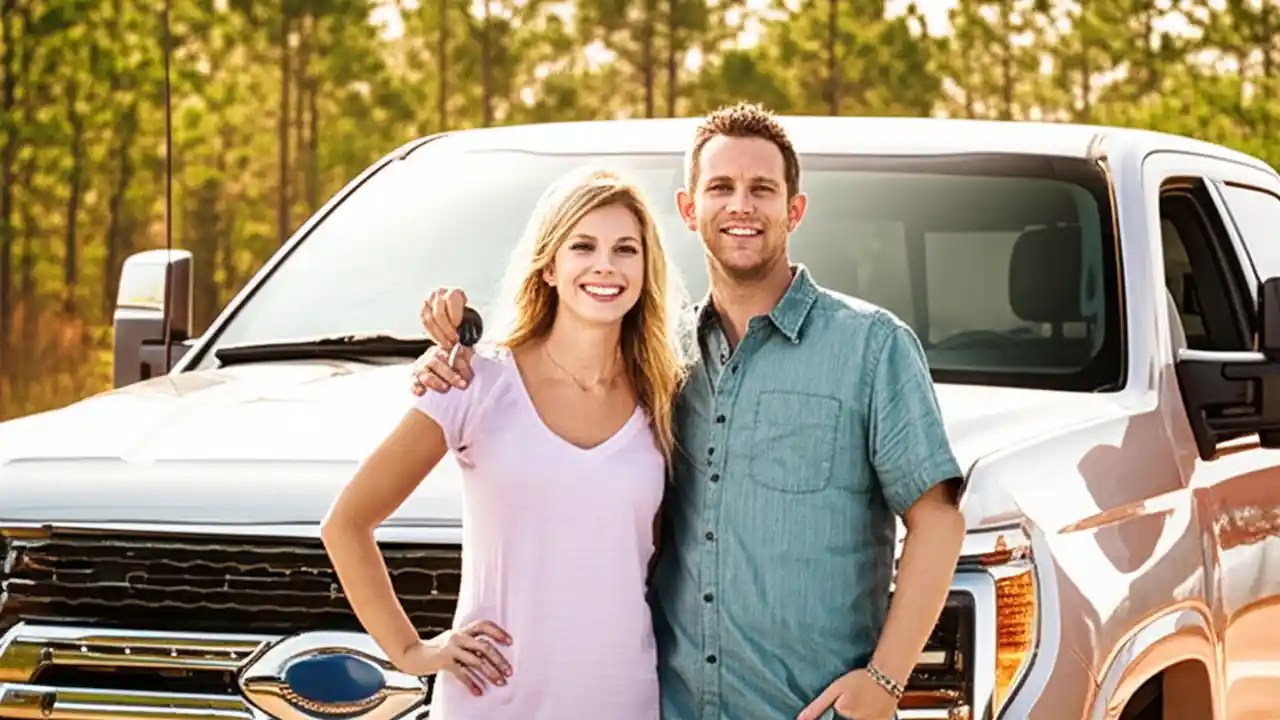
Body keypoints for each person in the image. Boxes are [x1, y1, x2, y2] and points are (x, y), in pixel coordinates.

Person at [410, 103, 967, 720]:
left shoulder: (871, 346)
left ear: (795, 210)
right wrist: (452, 353)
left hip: (813, 711)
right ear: (688, 210)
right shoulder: (658, 359)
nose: (741, 206)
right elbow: (556, 359)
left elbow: (939, 522)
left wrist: (885, 683)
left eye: (763, 189)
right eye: (721, 188)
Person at [321, 166, 687, 719]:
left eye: (626, 249)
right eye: (582, 246)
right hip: (494, 701)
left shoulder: (663, 398)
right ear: (550, 268)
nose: (605, 265)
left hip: (623, 699)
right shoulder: (475, 383)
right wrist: (413, 651)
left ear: (645, 269)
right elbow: (346, 524)